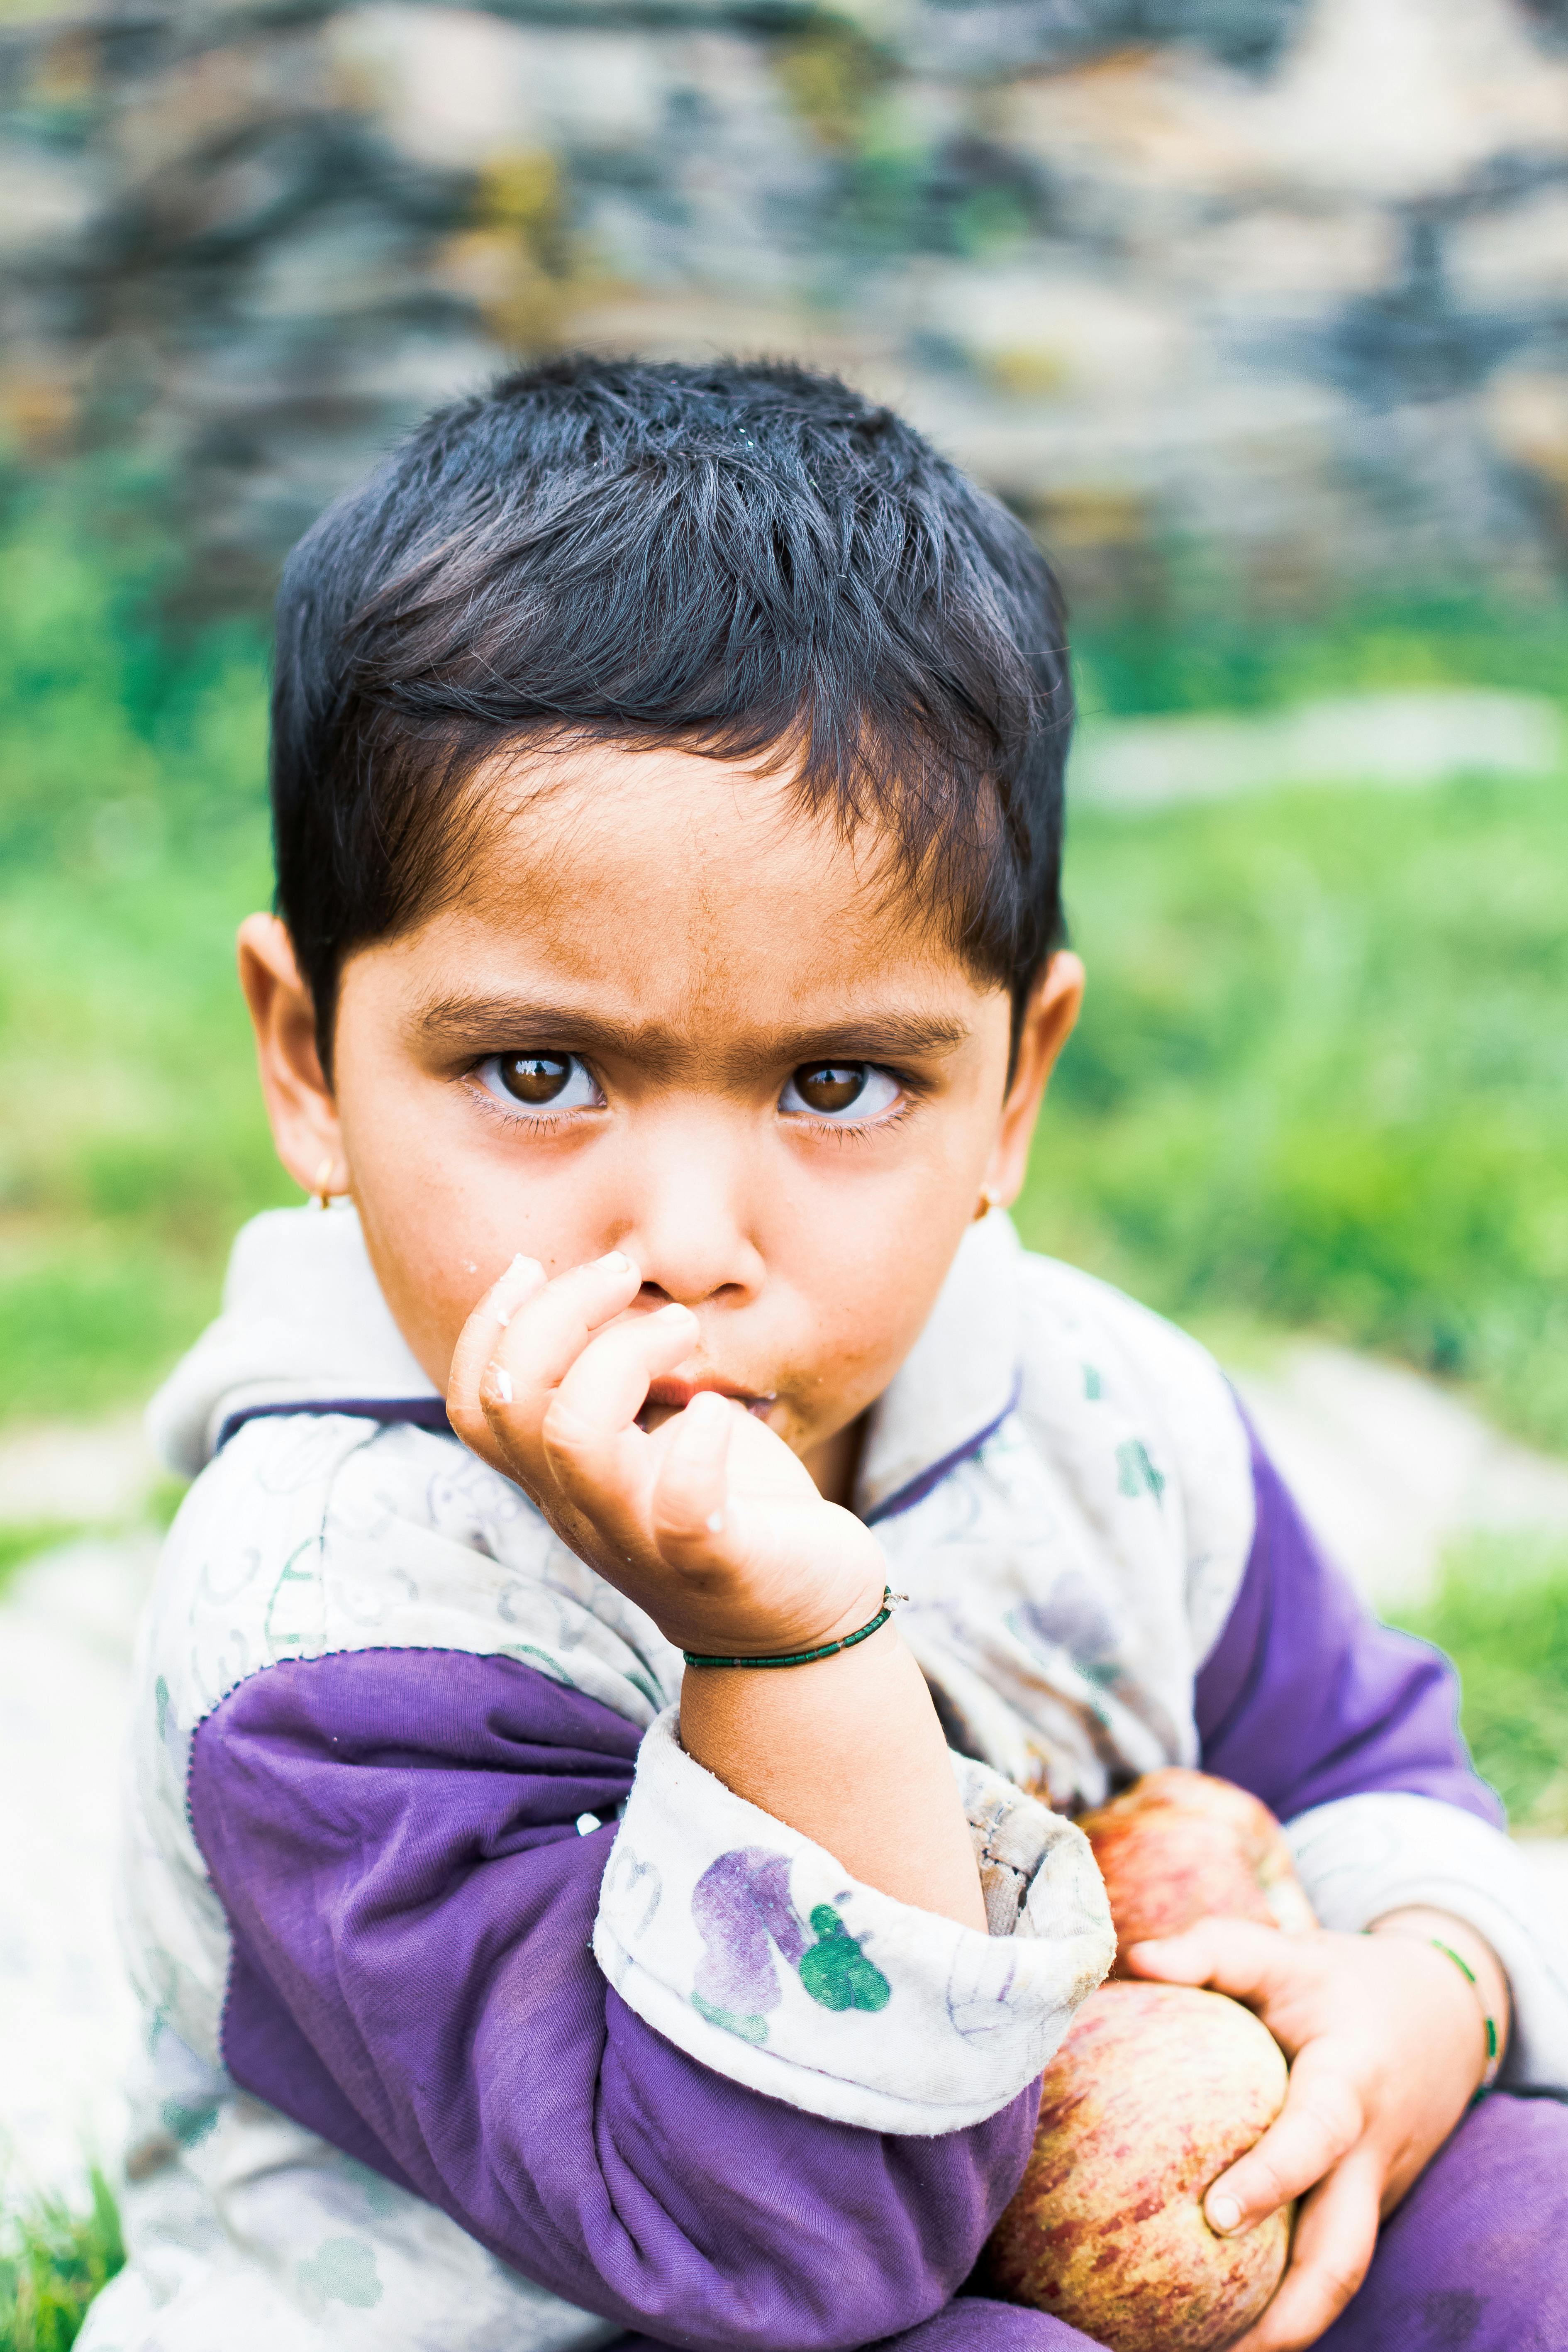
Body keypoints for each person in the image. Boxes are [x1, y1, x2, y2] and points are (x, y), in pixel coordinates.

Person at [85, 358, 1568, 2352]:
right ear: (307, 1060)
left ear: (1016, 1086)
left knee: (1522, 2217)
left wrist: (1427, 1990)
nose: (690, 1245)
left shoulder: (1101, 1423)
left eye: (841, 1081)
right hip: (600, 2305)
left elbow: (1361, 1757)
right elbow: (775, 2259)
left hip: (1053, 2209)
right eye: (539, 1070)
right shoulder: (339, 1647)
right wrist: (789, 1654)